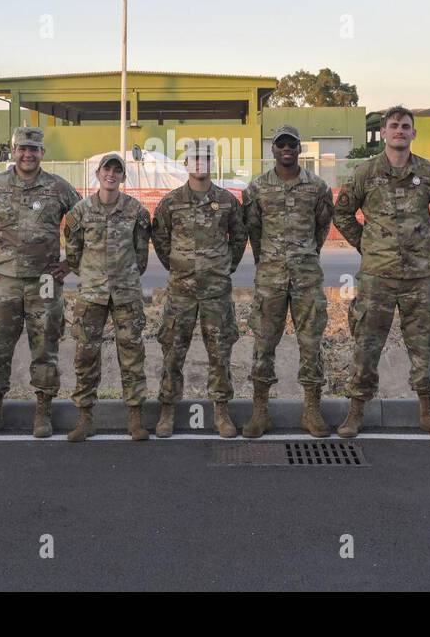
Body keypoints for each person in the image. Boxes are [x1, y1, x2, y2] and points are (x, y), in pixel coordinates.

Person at [333, 106, 430, 439]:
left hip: (420, 277)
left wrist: (426, 243)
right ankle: (356, 412)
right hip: (378, 277)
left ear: (413, 133)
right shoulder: (366, 173)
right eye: (393, 126)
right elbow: (342, 214)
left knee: (423, 345)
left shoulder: (429, 174)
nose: (399, 130)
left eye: (405, 126)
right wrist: (367, 246)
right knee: (366, 345)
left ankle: (427, 413)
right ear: (383, 133)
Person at [0, 127, 81, 438]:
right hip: (4, 280)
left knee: (45, 348)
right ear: (13, 152)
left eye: (34, 149)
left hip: (44, 280)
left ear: (42, 153)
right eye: (22, 149)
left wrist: (71, 262)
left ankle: (42, 413)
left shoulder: (58, 188)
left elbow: (85, 221)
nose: (28, 154)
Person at [241, 124, 335, 438]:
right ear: (273, 149)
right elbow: (254, 232)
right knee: (263, 345)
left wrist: (305, 256)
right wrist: (269, 261)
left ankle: (311, 411)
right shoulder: (256, 189)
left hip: (307, 278)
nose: (286, 149)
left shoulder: (318, 187)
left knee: (311, 345)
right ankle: (260, 412)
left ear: (299, 149)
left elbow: (320, 230)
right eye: (281, 144)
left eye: (292, 145)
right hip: (270, 279)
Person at [151, 139, 248, 438]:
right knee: (172, 351)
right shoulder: (171, 202)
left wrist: (223, 267)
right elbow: (161, 239)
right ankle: (167, 410)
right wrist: (179, 266)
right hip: (180, 291)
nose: (199, 163)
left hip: (216, 292)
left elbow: (239, 237)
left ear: (211, 162)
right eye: (194, 158)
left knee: (220, 353)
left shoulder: (228, 201)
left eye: (205, 157)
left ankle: (221, 411)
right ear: (186, 163)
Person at [62, 152, 152, 442]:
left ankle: (135, 419)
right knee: (86, 356)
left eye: (117, 170)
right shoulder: (80, 212)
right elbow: (73, 253)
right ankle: (85, 418)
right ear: (98, 174)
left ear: (123, 177)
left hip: (126, 293)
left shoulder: (136, 211)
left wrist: (123, 277)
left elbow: (141, 255)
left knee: (132, 355)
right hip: (91, 294)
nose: (111, 175)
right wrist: (92, 275)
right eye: (106, 169)